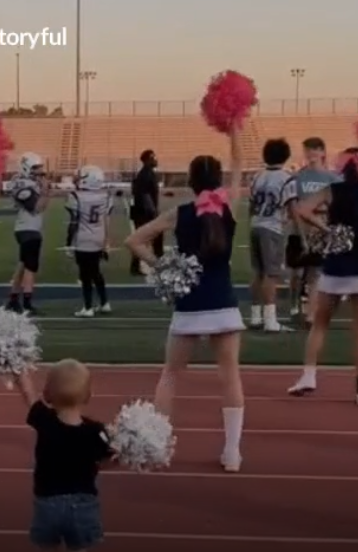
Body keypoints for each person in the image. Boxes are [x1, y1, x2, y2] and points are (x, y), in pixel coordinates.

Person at [125, 130, 245, 471]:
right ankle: (232, 453)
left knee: (170, 375)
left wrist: (162, 266)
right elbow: (239, 163)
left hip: (190, 306)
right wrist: (234, 128)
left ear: (191, 183)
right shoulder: (229, 206)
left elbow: (134, 241)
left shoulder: (179, 213)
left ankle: (158, 445)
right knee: (230, 376)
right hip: (223, 303)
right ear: (218, 180)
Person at [11, 360, 112, 551]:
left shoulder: (44, 420)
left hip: (47, 503)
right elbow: (107, 461)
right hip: (83, 504)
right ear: (88, 395)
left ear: (47, 393)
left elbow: (28, 393)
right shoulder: (96, 431)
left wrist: (18, 367)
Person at [287, 148, 358, 401]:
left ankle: (309, 375)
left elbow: (302, 209)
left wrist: (328, 229)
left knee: (320, 323)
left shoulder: (333, 190)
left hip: (336, 265)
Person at [284, 138, 335, 321]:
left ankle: (311, 314)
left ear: (323, 152)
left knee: (315, 273)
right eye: (308, 149)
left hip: (321, 230)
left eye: (316, 149)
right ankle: (294, 305)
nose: (311, 153)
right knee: (296, 273)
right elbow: (293, 206)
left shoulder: (332, 178)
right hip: (299, 230)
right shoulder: (298, 177)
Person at [248, 139, 294, 332]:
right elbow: (291, 206)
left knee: (257, 272)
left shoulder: (258, 176)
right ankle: (270, 320)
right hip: (273, 226)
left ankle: (255, 316)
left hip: (256, 224)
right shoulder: (287, 177)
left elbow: (251, 204)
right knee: (271, 273)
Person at [65, 165, 113, 317]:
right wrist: (107, 240)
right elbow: (106, 220)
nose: (77, 179)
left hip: (83, 239)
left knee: (85, 275)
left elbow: (73, 223)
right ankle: (104, 303)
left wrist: (69, 243)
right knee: (96, 272)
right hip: (98, 238)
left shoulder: (75, 197)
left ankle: (88, 307)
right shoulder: (105, 196)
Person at [6, 152, 51, 315]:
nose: (39, 171)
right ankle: (27, 303)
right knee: (30, 267)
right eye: (36, 167)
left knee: (23, 265)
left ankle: (13, 300)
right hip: (27, 229)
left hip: (29, 228)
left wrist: (45, 190)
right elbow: (36, 208)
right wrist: (45, 190)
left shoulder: (28, 183)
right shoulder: (22, 184)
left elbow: (42, 206)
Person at [129, 150, 162, 276]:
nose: (155, 160)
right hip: (145, 213)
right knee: (154, 238)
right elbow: (145, 195)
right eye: (153, 158)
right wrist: (153, 211)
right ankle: (159, 265)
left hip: (142, 212)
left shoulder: (146, 173)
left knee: (142, 239)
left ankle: (135, 266)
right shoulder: (146, 174)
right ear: (147, 160)